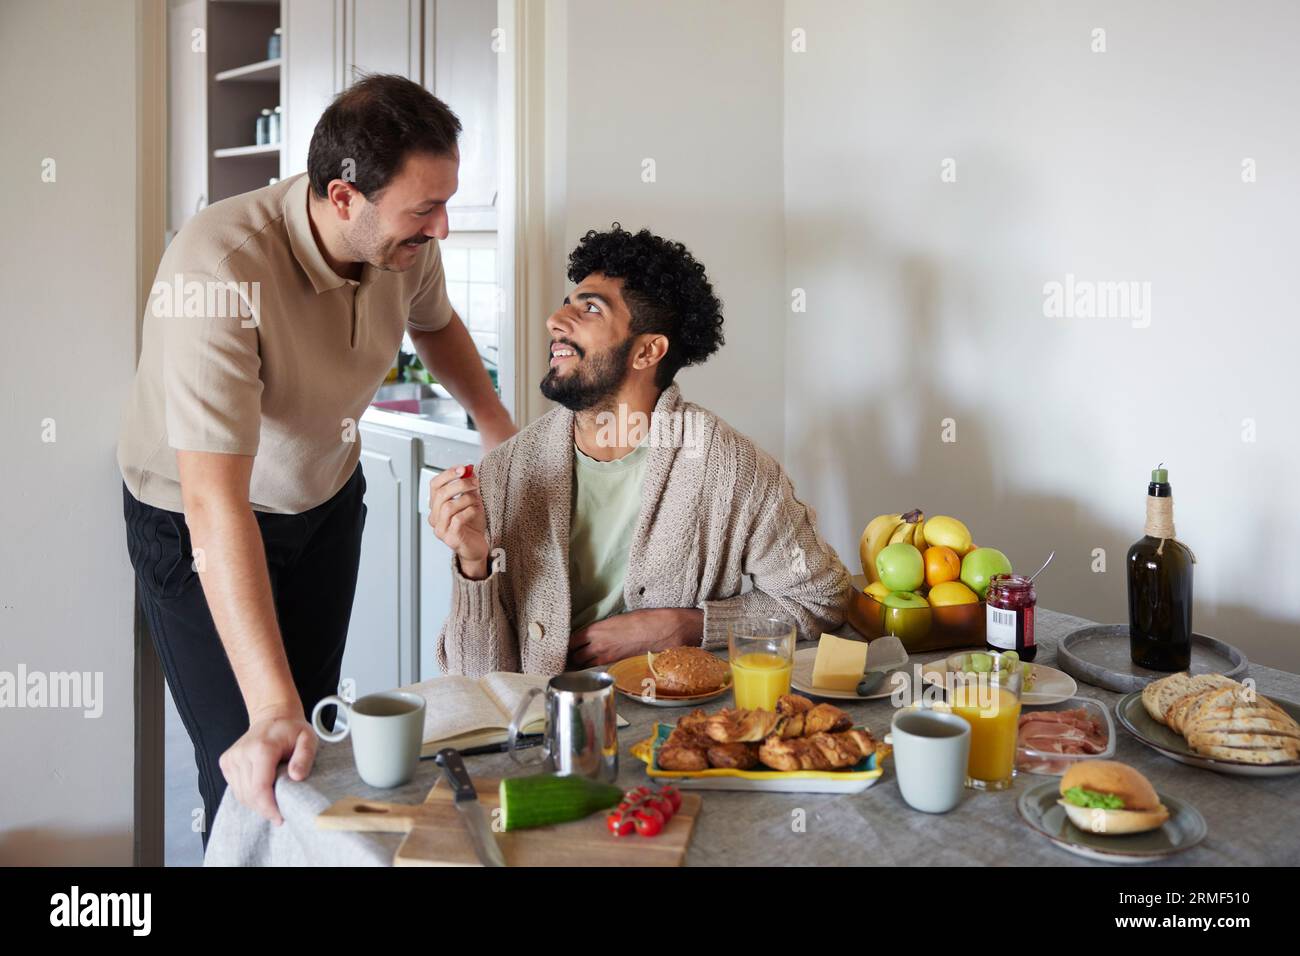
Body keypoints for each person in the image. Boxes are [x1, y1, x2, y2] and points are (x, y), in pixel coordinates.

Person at [118, 74, 516, 841]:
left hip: (324, 501)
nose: (441, 228)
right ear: (343, 198)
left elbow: (435, 324)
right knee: (253, 763)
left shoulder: (403, 244)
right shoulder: (220, 269)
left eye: (447, 203)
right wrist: (270, 706)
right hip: (199, 524)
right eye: (424, 210)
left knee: (314, 747)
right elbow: (214, 501)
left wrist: (494, 421)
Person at [427, 225, 849, 675]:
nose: (555, 320)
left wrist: (689, 626)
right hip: (547, 732)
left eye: (590, 308)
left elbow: (821, 598)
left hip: (677, 731)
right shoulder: (507, 472)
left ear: (648, 351)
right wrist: (474, 565)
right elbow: (475, 683)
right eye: (568, 303)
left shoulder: (730, 469)